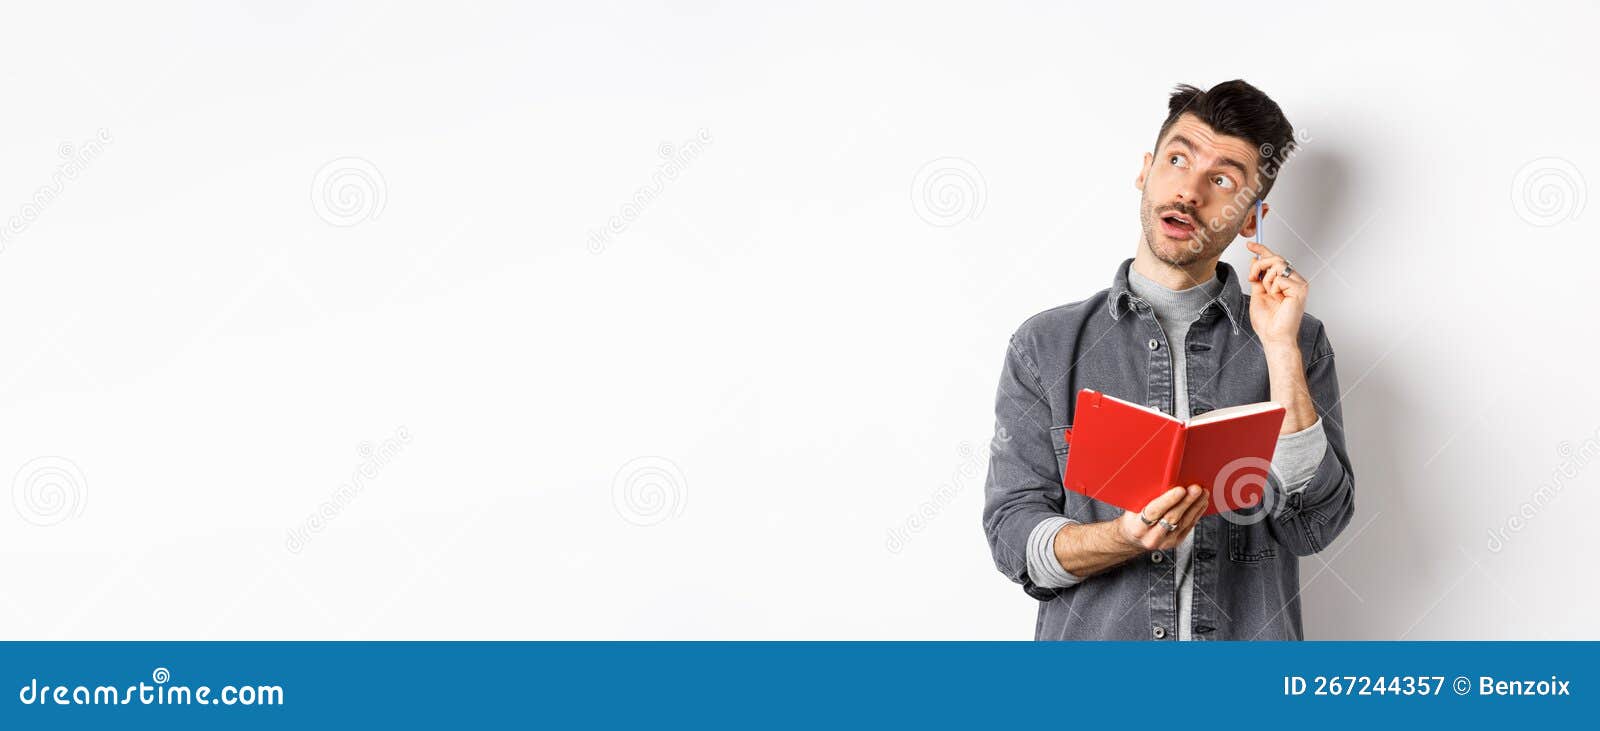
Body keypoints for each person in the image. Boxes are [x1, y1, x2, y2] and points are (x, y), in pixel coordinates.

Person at [981, 80, 1355, 640]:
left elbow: (1315, 526)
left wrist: (1281, 350)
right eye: (1178, 160)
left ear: (1251, 218)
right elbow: (1014, 539)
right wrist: (1122, 537)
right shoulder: (1044, 346)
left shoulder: (1299, 341)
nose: (1189, 191)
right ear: (1145, 171)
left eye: (1222, 180)